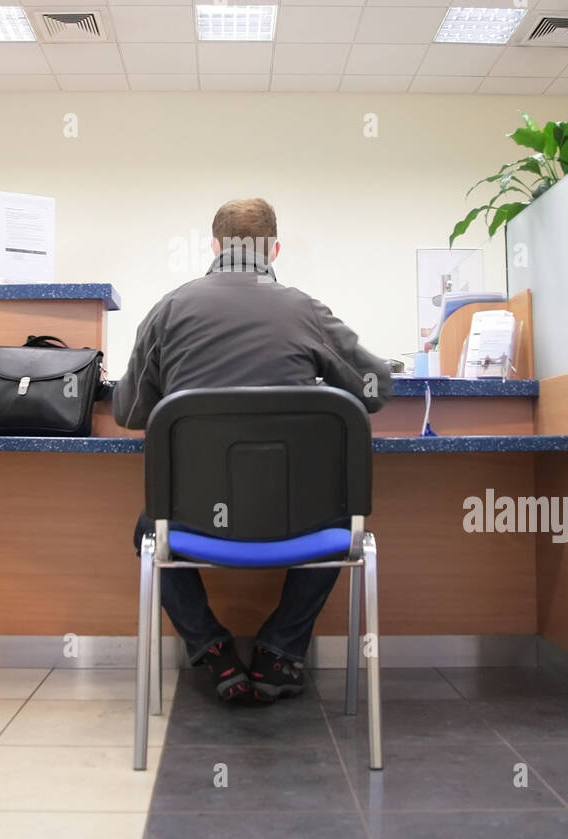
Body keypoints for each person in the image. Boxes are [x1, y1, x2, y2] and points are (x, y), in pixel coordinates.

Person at [113, 198, 391, 705]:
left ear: (215, 246)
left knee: (148, 529)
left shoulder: (169, 310)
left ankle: (213, 650)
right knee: (341, 520)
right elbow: (376, 389)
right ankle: (280, 652)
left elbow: (129, 412)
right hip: (299, 521)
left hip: (193, 524)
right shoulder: (305, 309)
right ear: (274, 249)